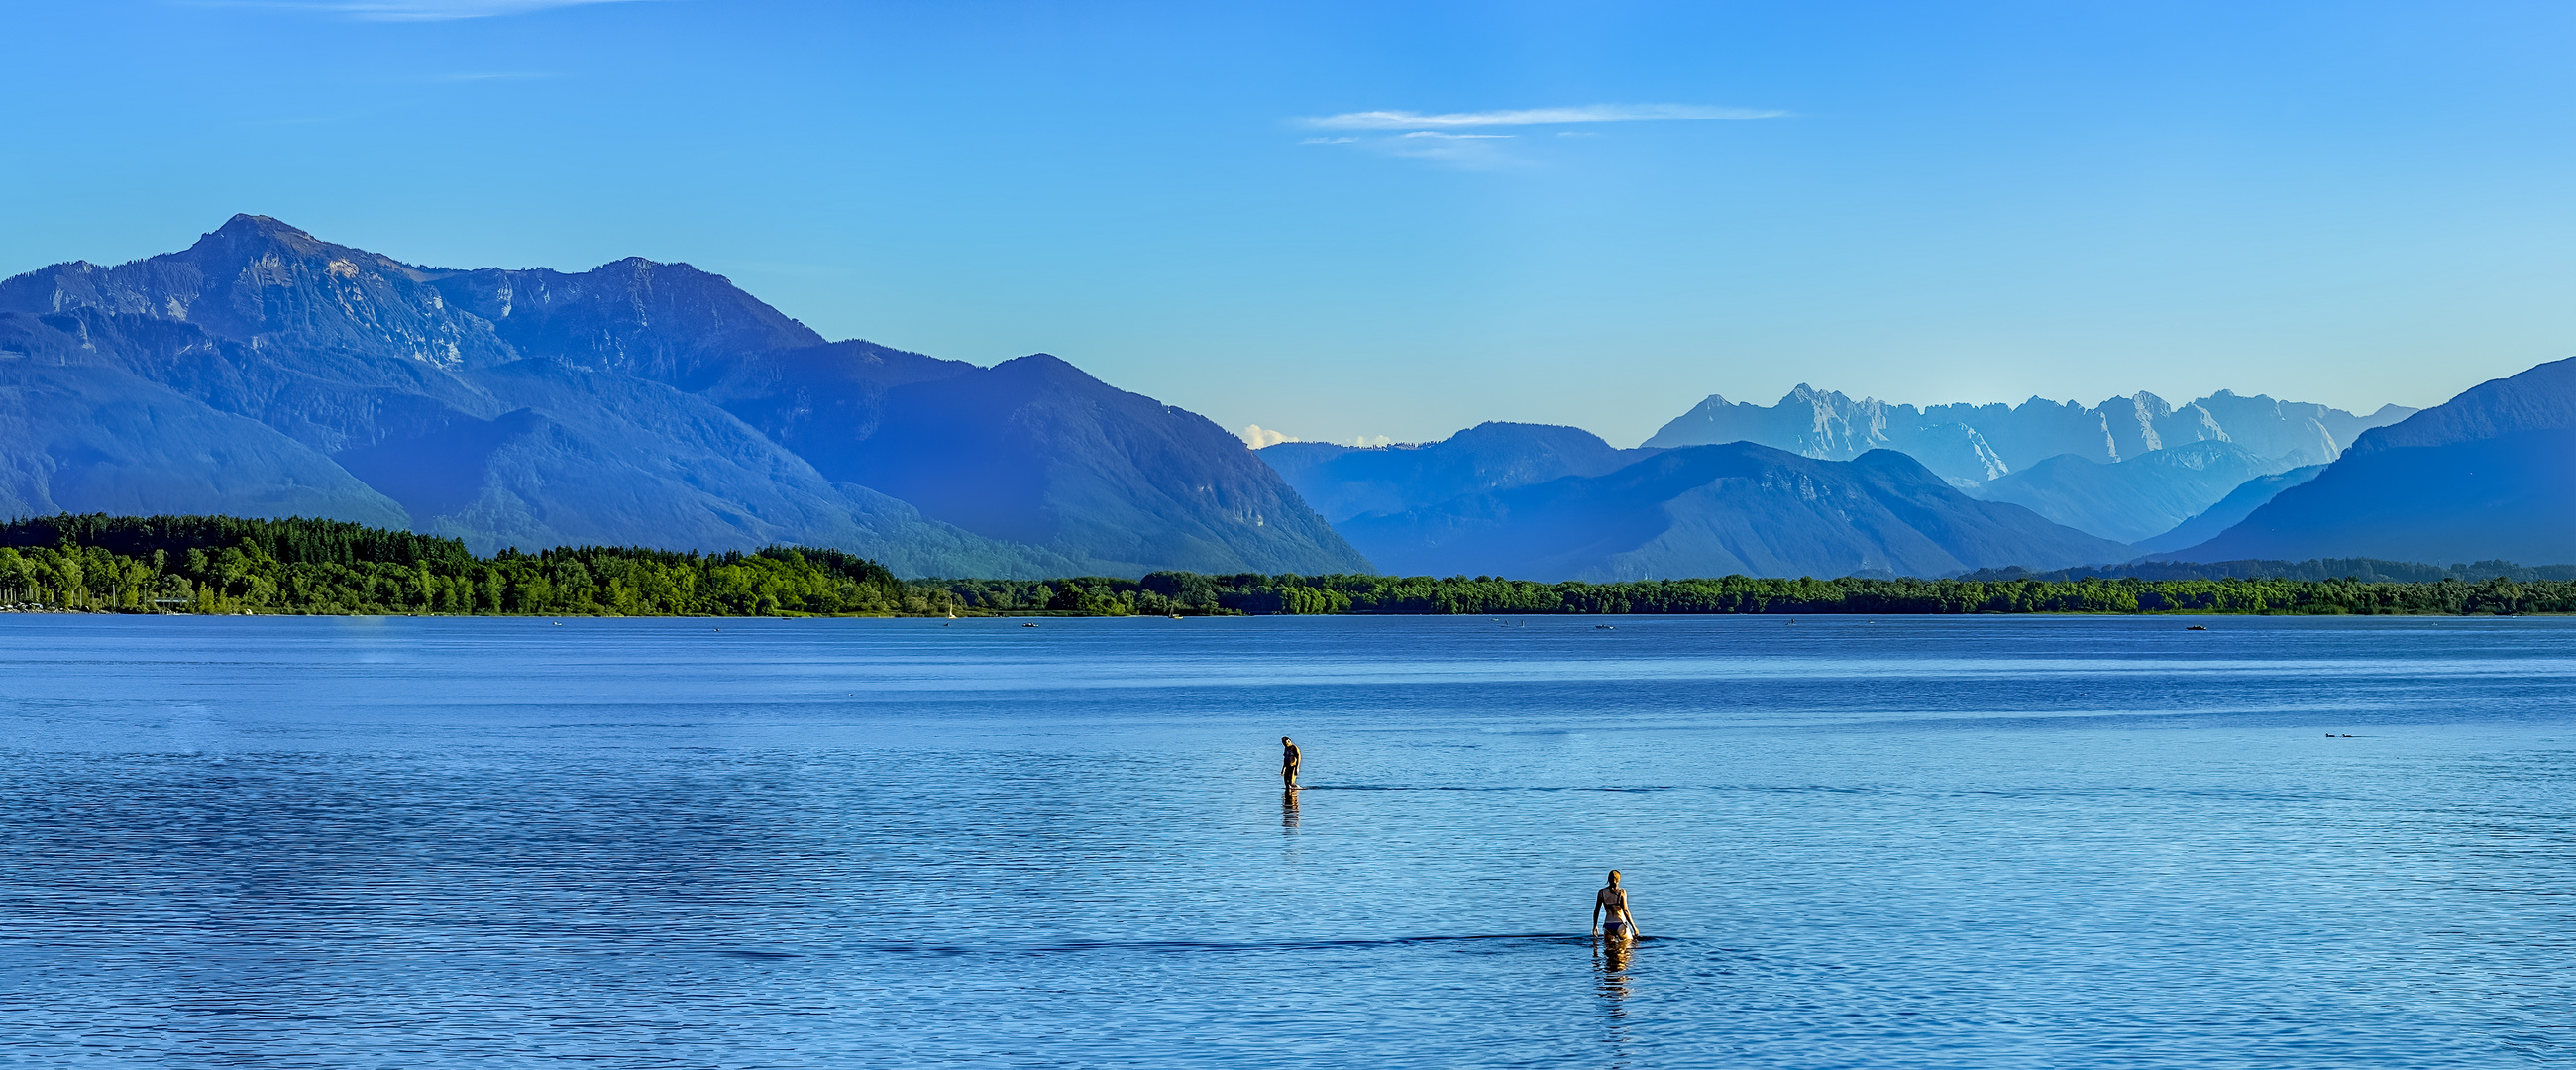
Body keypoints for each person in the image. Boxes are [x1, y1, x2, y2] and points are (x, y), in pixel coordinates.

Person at [1593, 870, 1639, 943]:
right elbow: (1626, 911)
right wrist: (1634, 928)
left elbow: (1596, 910)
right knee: (1629, 946)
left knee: (1609, 951)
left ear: (1608, 879)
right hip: (1620, 924)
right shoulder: (1622, 892)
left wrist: (1595, 926)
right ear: (1619, 879)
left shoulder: (1601, 892)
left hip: (1608, 925)